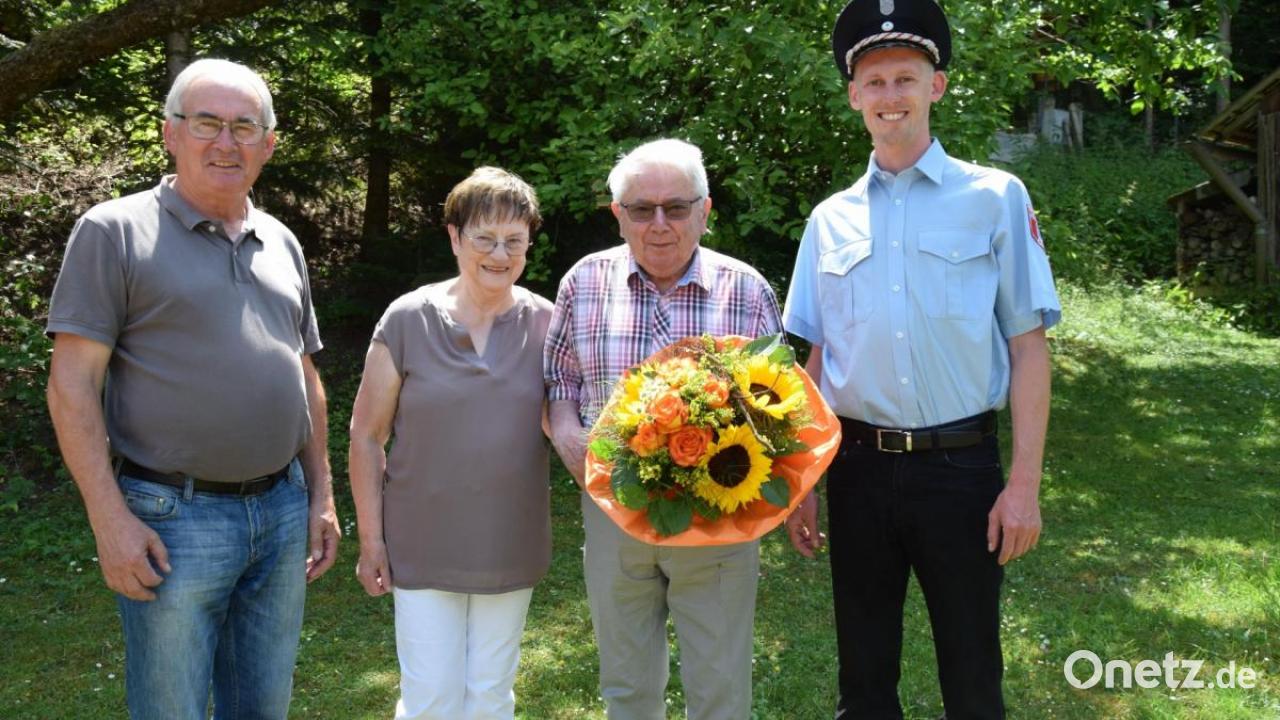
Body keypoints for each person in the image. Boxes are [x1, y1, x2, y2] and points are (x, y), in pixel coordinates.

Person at [782, 0, 1062, 717]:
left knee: (972, 677)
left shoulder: (995, 197)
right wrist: (800, 478)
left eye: (905, 79)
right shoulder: (829, 219)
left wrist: (1023, 486)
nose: (890, 97)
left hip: (960, 471)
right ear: (854, 97)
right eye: (874, 84)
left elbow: (1029, 347)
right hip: (858, 471)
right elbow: (814, 357)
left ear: (935, 87)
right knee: (864, 680)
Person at [44, 58, 340, 719]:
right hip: (171, 518)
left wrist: (320, 494)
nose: (226, 143)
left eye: (244, 127)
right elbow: (72, 384)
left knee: (262, 707)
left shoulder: (282, 241)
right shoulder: (113, 231)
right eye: (207, 123)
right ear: (170, 133)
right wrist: (108, 519)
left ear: (269, 144)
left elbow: (303, 375)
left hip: (283, 511)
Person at [544, 138, 783, 720]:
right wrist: (566, 435)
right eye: (640, 208)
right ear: (616, 214)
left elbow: (781, 412)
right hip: (612, 513)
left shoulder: (746, 290)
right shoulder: (584, 281)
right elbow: (559, 381)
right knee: (626, 688)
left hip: (718, 522)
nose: (658, 224)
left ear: (704, 211)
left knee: (720, 690)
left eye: (676, 208)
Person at [348, 167, 553, 720]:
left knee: (490, 695)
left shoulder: (547, 325)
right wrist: (372, 542)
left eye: (514, 240)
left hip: (509, 541)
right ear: (454, 236)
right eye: (484, 237)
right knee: (432, 698)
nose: (499, 253)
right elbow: (366, 436)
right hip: (422, 542)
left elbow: (573, 424)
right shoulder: (408, 318)